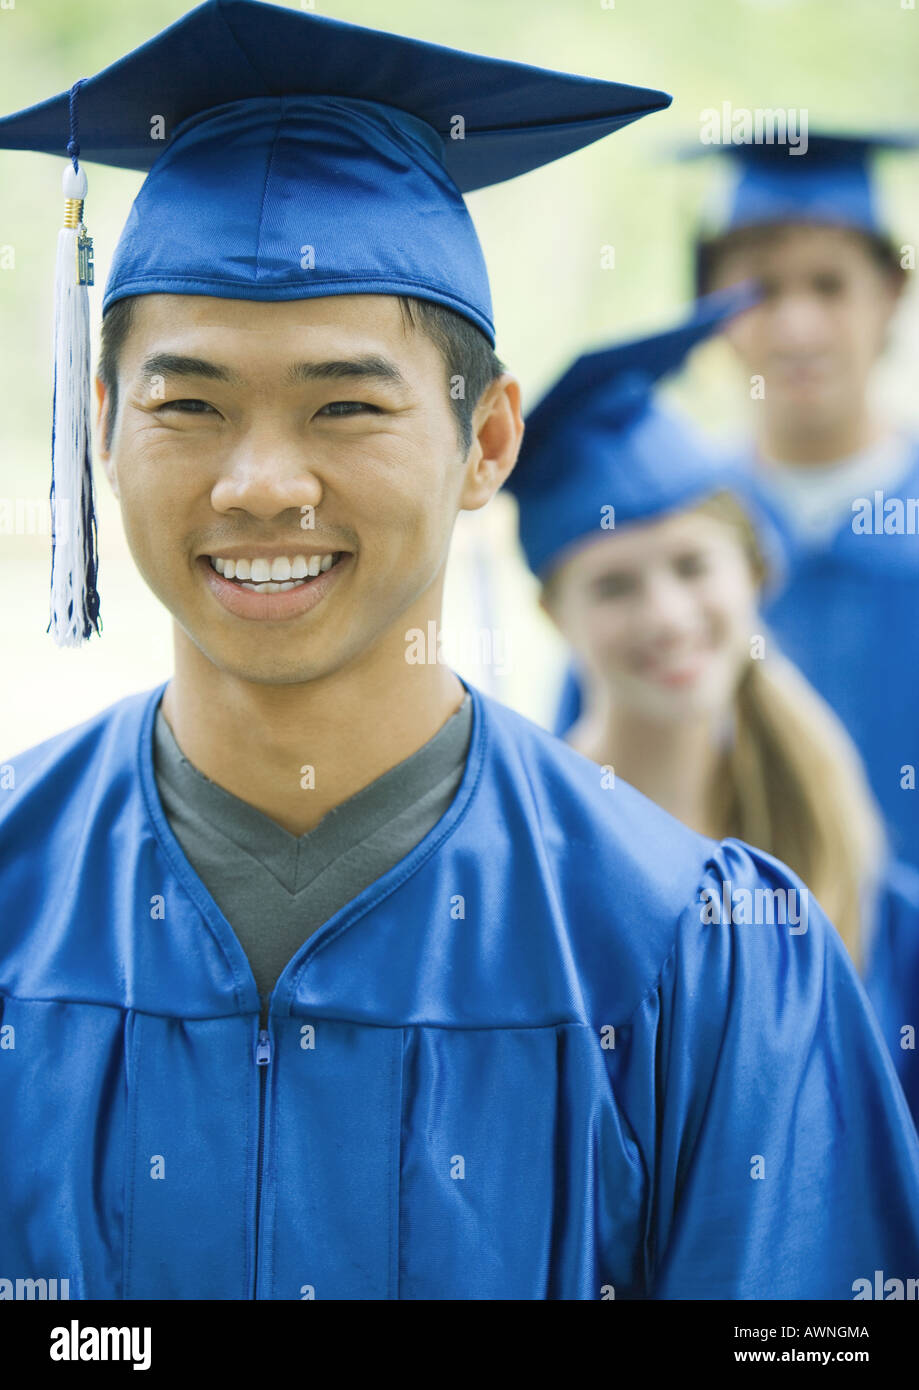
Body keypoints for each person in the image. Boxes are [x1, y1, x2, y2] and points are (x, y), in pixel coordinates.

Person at [1, 2, 917, 1302]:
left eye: (345, 404)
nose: (262, 482)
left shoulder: (693, 954)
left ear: (487, 441)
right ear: (100, 421)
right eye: (188, 402)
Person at [509, 293, 919, 1129]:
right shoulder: (528, 853)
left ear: (753, 571)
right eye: (614, 585)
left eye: (692, 566)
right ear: (557, 616)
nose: (666, 617)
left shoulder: (834, 840)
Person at [689, 133, 919, 876]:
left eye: (828, 285)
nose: (796, 326)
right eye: (760, 288)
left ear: (890, 294)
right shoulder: (675, 531)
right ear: (710, 305)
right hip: (732, 970)